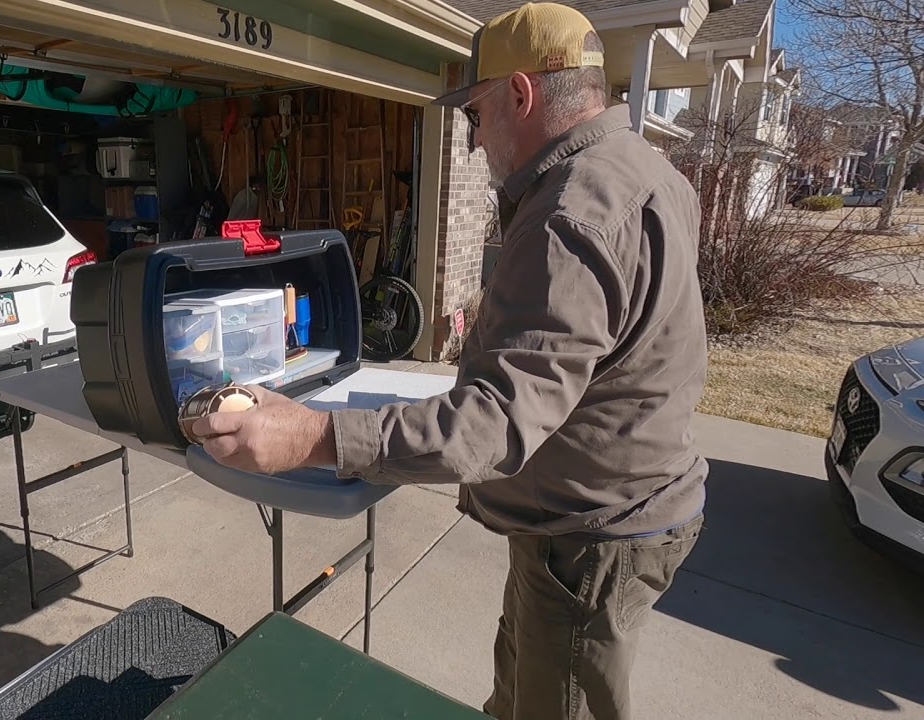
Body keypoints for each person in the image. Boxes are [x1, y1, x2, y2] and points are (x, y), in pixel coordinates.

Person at [191, 3, 708, 719]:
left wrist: (310, 436)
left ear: (520, 94)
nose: (473, 138)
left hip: (590, 538)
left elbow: (494, 424)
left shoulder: (569, 213)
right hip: (612, 510)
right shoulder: (650, 171)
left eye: (476, 113)